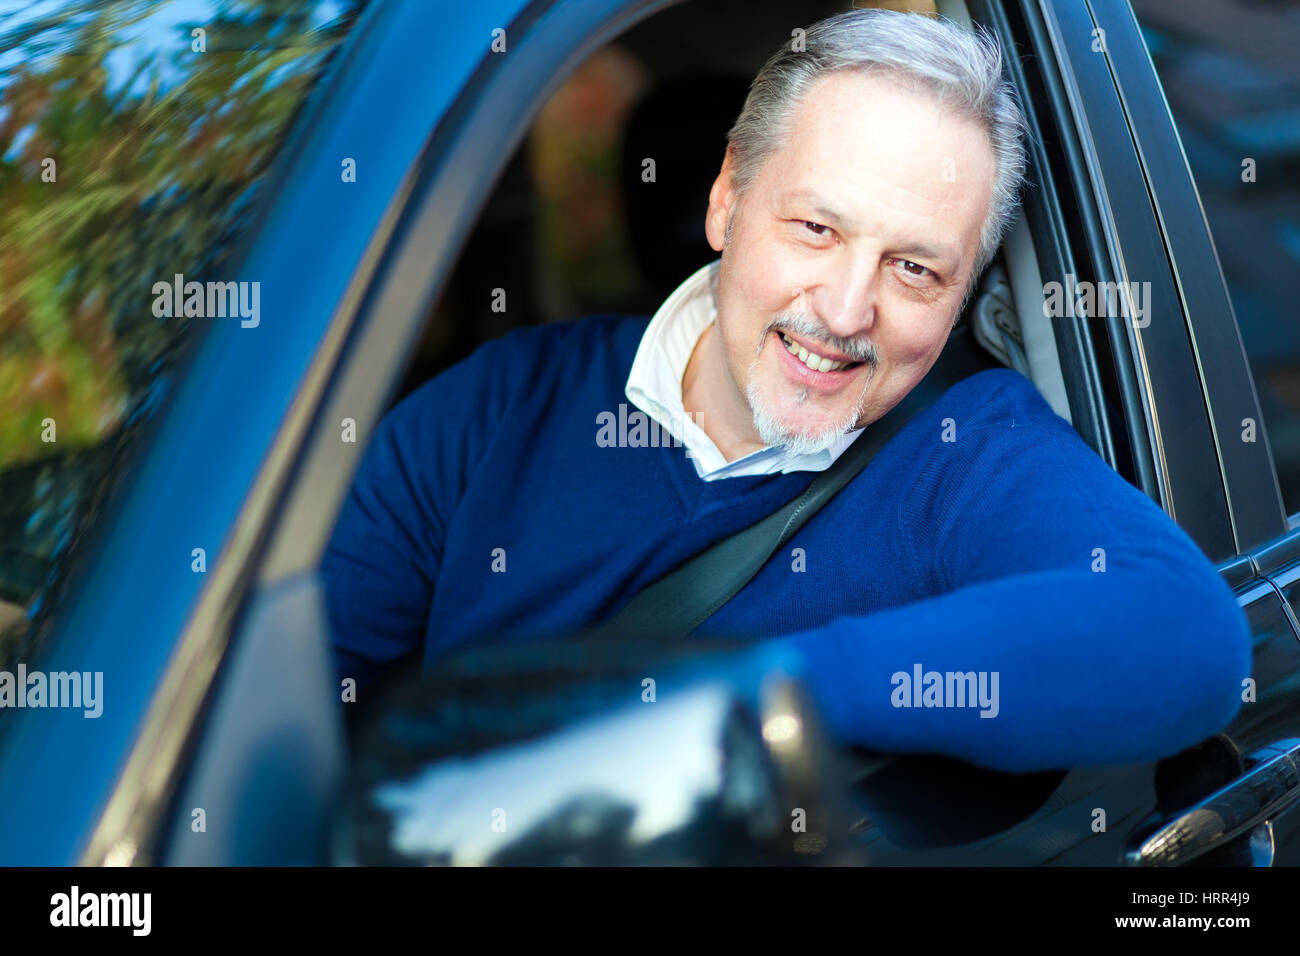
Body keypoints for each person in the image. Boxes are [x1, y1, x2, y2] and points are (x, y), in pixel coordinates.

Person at [321, 9, 1250, 773]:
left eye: (915, 269)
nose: (847, 310)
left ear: (964, 290)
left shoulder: (970, 454)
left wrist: (760, 696)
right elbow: (266, 702)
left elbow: (1187, 636)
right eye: (815, 227)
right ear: (727, 197)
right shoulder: (498, 408)